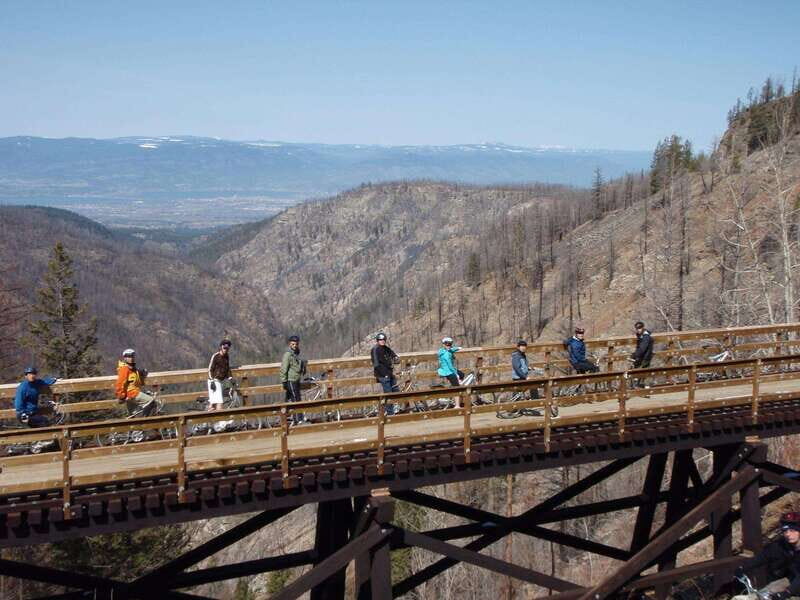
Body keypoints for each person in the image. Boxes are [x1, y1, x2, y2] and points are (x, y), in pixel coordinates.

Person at [732, 512, 800, 600]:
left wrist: (788, 592)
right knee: (767, 591)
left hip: (797, 582)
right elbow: (763, 556)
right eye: (785, 531)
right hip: (793, 578)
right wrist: (743, 567)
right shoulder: (783, 545)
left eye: (792, 530)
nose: (788, 534)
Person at [115, 348, 157, 416]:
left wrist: (141, 374)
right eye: (128, 356)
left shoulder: (132, 369)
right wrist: (121, 396)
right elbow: (120, 383)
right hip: (131, 393)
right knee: (151, 401)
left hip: (131, 394)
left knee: (132, 415)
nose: (131, 358)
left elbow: (137, 381)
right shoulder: (124, 369)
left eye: (132, 356)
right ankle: (145, 423)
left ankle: (131, 425)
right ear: (124, 358)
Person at [280, 335, 307, 423]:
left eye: (296, 344)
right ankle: (299, 420)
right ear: (289, 344)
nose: (295, 345)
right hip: (291, 380)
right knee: (296, 400)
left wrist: (302, 364)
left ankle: (296, 419)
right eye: (293, 344)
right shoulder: (287, 355)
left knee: (296, 399)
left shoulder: (295, 353)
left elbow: (296, 365)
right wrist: (284, 381)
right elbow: (284, 368)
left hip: (296, 379)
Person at [511, 339, 541, 409]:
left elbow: (523, 366)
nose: (523, 347)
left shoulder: (522, 355)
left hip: (521, 377)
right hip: (518, 378)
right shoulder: (516, 356)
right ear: (518, 347)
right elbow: (517, 368)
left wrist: (529, 368)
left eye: (525, 346)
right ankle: (535, 402)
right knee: (532, 385)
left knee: (518, 393)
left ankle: (514, 408)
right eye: (522, 346)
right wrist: (525, 377)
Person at [207, 339, 234, 412]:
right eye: (224, 348)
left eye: (227, 348)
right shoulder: (215, 356)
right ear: (221, 347)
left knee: (213, 403)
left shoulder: (226, 356)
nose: (226, 350)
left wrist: (231, 378)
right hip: (214, 380)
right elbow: (210, 370)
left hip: (221, 380)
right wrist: (212, 381)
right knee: (220, 401)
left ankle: (210, 420)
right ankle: (220, 420)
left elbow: (227, 368)